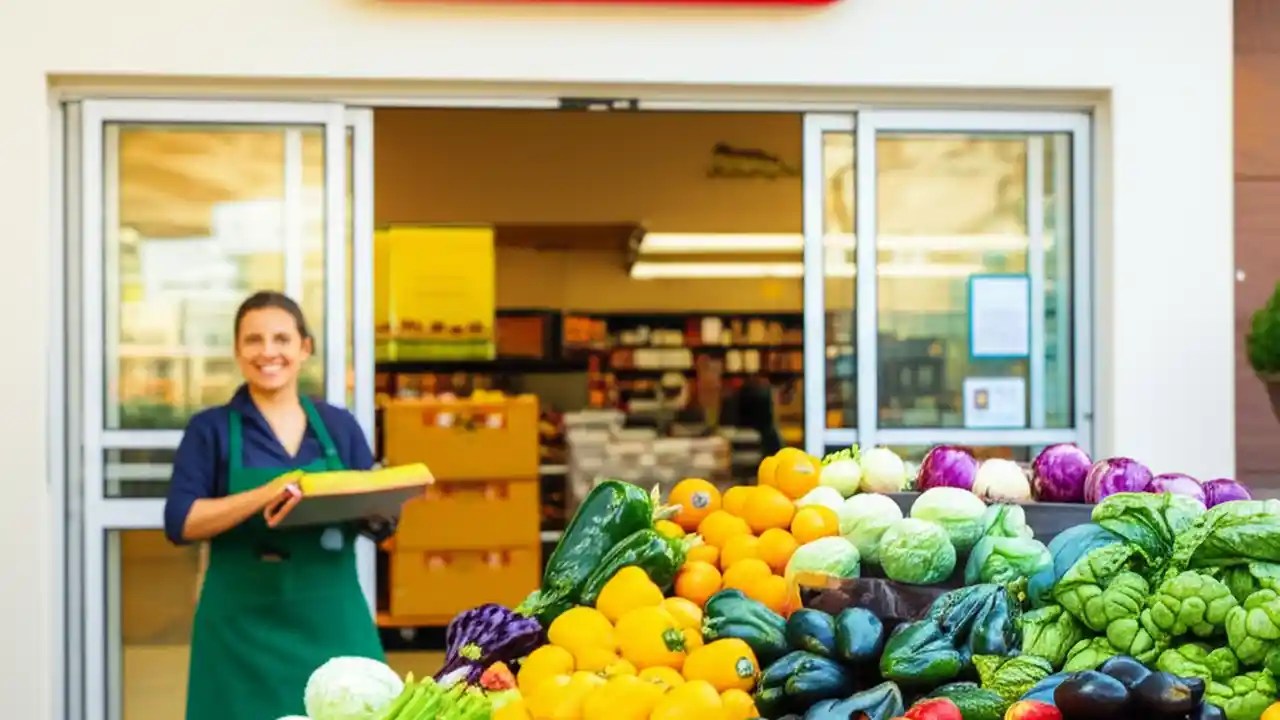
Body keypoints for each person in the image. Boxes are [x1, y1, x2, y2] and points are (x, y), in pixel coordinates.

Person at [163, 291, 390, 720]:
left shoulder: (338, 426)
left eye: (282, 339)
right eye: (254, 340)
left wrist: (384, 500)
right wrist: (267, 492)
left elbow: (378, 523)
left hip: (331, 616)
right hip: (239, 627)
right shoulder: (209, 429)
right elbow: (182, 521)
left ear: (304, 349)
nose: (268, 351)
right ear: (237, 350)